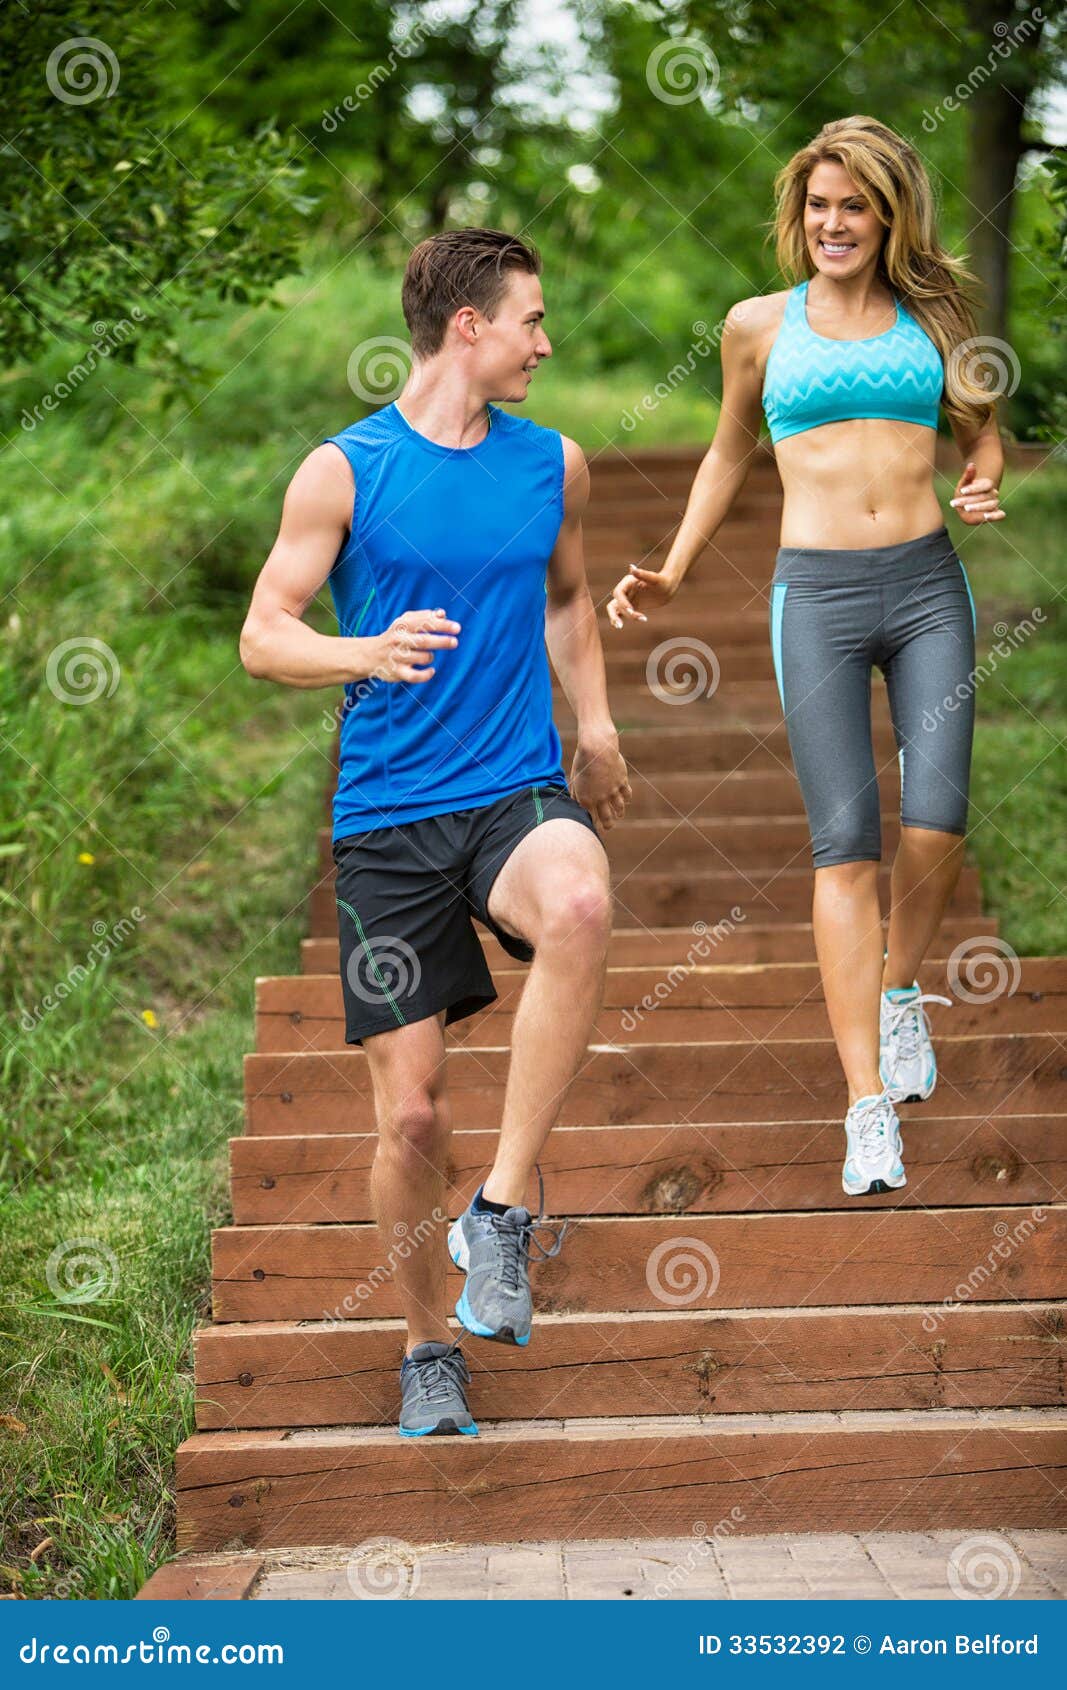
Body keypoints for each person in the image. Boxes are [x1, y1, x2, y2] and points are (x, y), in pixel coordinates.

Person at [239, 226, 630, 1436]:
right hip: (389, 818)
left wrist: (599, 722)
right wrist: (361, 651)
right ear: (469, 325)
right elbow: (264, 632)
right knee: (409, 1114)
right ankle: (424, 1348)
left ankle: (502, 1208)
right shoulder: (342, 470)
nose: (544, 343)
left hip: (512, 786)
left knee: (578, 899)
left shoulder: (549, 463)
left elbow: (568, 595)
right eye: (531, 319)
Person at [606, 116, 1004, 1199]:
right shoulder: (753, 327)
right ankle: (864, 1104)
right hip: (815, 599)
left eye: (855, 206)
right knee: (844, 846)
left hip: (927, 586)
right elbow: (729, 449)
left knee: (937, 820)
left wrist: (980, 472)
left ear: (887, 217)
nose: (834, 222)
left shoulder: (932, 316)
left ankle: (900, 988)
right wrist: (675, 565)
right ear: (800, 213)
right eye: (819, 204)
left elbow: (977, 424)